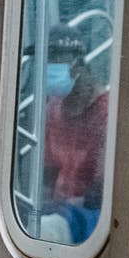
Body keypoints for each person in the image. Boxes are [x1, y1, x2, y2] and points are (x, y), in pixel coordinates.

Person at [40, 24, 109, 243]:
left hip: (89, 216)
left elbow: (100, 193)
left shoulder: (107, 113)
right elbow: (48, 173)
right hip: (60, 209)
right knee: (29, 220)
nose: (45, 68)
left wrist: (62, 207)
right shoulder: (53, 107)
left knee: (47, 231)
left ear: (78, 65)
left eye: (53, 60)